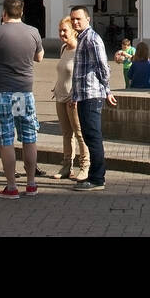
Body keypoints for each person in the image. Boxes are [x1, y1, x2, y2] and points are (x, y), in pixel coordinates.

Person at [0, 0, 44, 198]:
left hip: (2, 93)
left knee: (6, 139)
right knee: (28, 137)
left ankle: (12, 186)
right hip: (24, 92)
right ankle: (31, 184)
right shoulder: (33, 32)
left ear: (3, 13)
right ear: (22, 12)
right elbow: (39, 57)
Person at [69, 4, 116, 190]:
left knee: (93, 136)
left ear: (88, 19)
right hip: (83, 94)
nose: (75, 22)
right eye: (72, 18)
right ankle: (94, 175)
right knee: (89, 136)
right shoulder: (82, 38)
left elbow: (103, 67)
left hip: (92, 94)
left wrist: (107, 89)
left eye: (78, 18)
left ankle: (98, 178)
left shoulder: (92, 39)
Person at [51, 16, 89, 181]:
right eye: (60, 30)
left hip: (74, 98)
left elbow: (83, 75)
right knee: (66, 134)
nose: (61, 33)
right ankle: (67, 166)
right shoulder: (63, 49)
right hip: (60, 95)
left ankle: (85, 166)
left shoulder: (80, 50)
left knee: (80, 133)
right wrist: (56, 86)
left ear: (73, 31)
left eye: (64, 30)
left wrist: (77, 93)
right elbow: (63, 72)